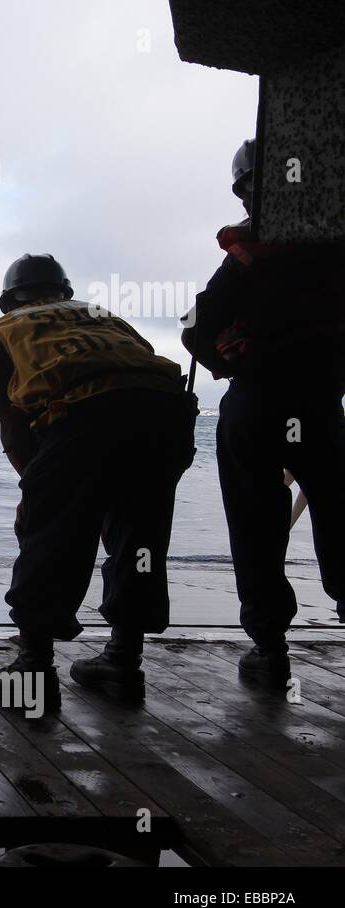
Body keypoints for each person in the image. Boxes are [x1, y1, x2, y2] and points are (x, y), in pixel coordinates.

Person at [0, 253, 196, 711]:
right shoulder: (103, 316)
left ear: (9, 299)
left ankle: (33, 670)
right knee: (139, 540)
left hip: (86, 416)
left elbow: (12, 422)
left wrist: (33, 490)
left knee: (51, 540)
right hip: (165, 419)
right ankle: (121, 662)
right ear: (64, 291)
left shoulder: (1, 333)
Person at [183, 138, 345, 689]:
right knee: (340, 514)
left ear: (247, 191)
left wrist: (223, 360)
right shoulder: (332, 249)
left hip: (257, 402)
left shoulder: (248, 257)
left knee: (256, 524)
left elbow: (199, 330)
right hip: (322, 402)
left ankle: (269, 649)